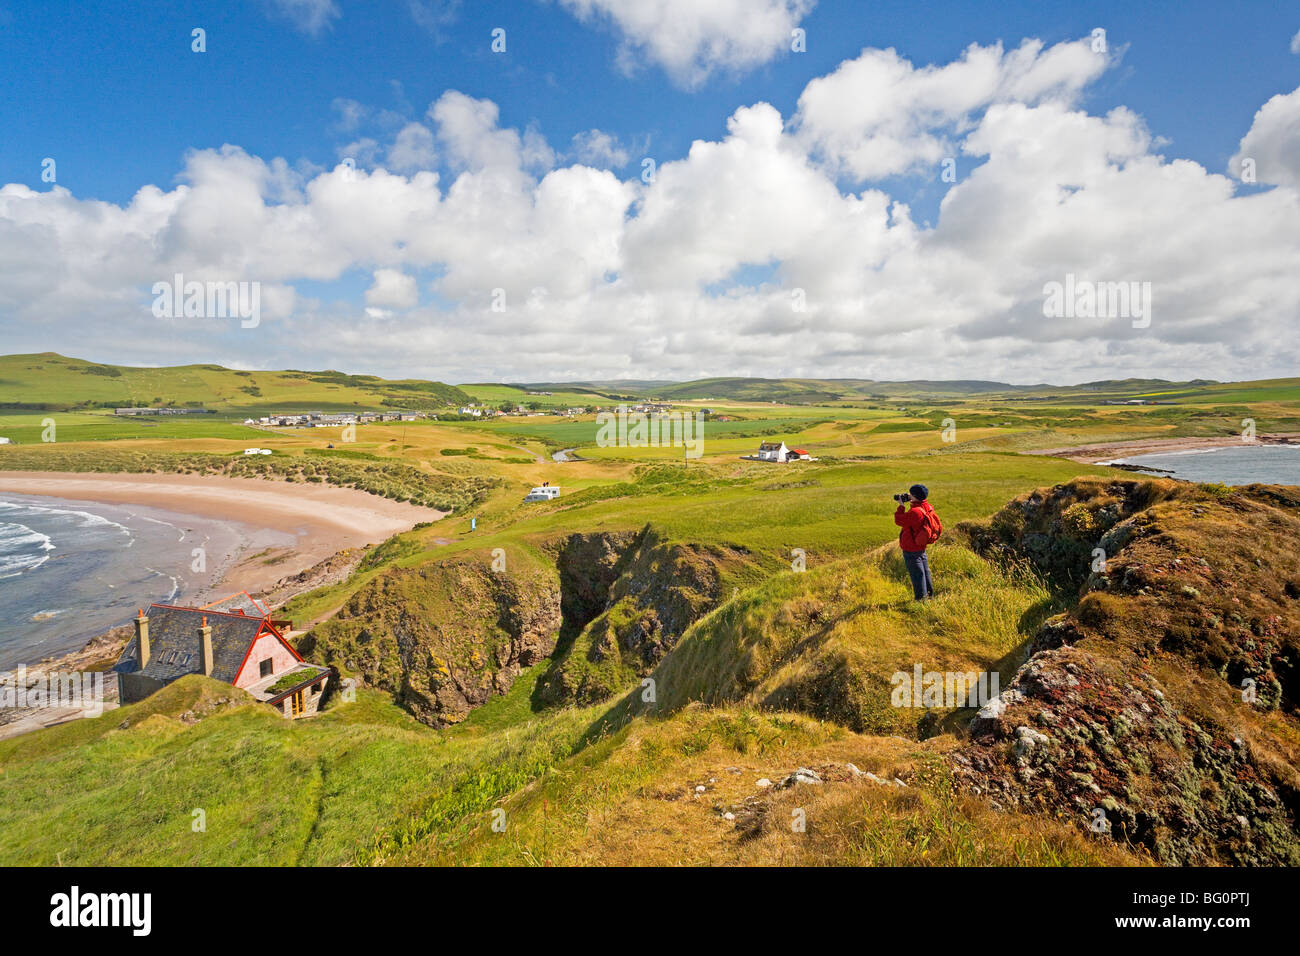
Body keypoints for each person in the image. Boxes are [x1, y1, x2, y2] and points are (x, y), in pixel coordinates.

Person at [894, 483, 942, 600]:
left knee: (917, 575)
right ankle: (929, 596)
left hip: (911, 548)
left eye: (910, 494)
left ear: (915, 496)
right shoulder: (927, 507)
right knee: (924, 572)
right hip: (920, 546)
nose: (909, 495)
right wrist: (912, 502)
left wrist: (901, 506)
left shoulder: (916, 512)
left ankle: (921, 601)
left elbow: (899, 520)